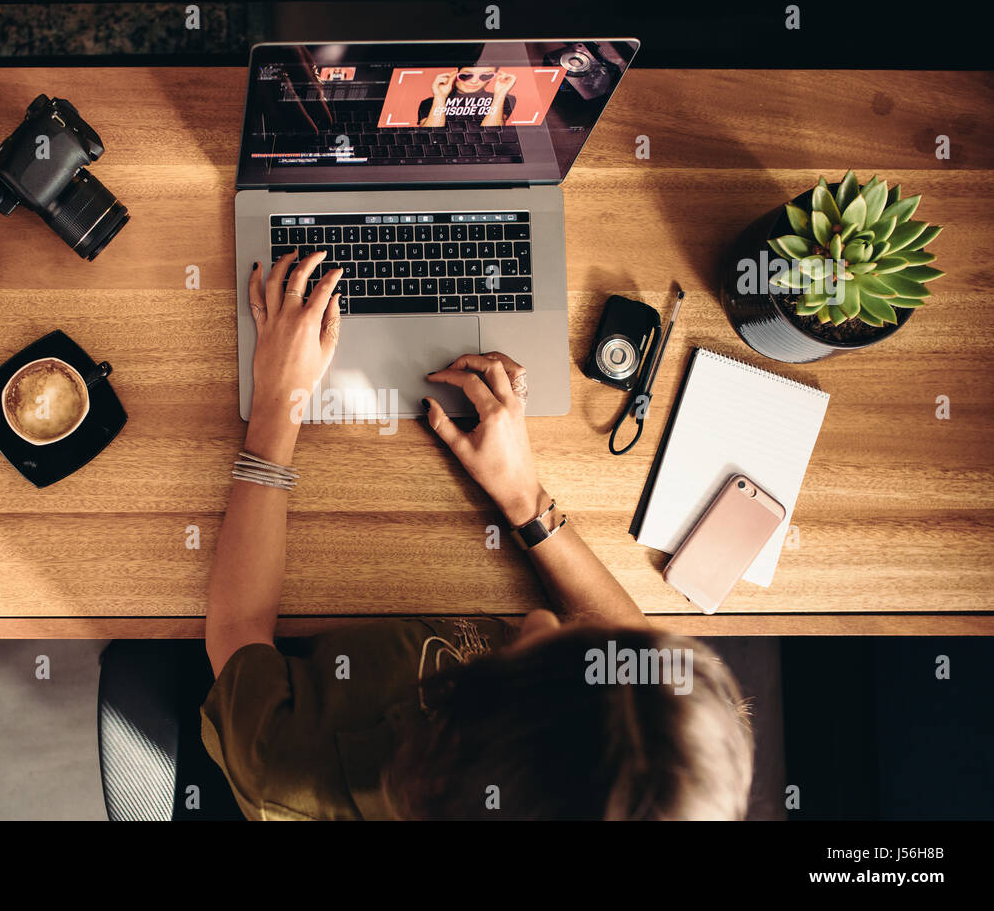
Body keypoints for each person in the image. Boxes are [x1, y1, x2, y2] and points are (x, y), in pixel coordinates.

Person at [202, 250, 754, 820]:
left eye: (523, 655)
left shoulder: (285, 771)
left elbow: (237, 626)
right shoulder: (683, 777)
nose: (537, 620)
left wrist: (277, 404)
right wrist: (526, 502)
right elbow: (627, 644)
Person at [418, 66, 517, 127]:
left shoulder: (504, 99)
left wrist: (500, 94)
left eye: (485, 76)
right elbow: (430, 137)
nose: (474, 81)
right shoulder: (431, 102)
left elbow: (492, 134)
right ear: (456, 73)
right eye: (466, 75)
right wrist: (440, 96)